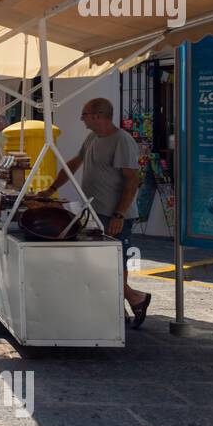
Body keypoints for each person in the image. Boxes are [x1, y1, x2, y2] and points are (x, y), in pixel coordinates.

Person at [47, 97, 152, 328]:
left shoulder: (122, 141)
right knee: (99, 262)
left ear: (97, 115)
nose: (81, 119)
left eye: (84, 114)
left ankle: (135, 299)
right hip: (94, 212)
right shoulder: (93, 137)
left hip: (113, 215)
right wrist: (52, 188)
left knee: (115, 264)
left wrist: (119, 214)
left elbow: (132, 180)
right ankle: (125, 304)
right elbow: (74, 163)